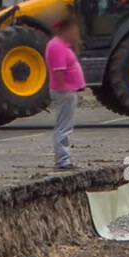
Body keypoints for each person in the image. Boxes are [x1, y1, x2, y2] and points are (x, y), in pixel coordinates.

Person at [46, 18, 86, 170]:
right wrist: (65, 88)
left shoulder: (63, 45)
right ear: (65, 30)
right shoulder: (56, 46)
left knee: (65, 125)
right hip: (64, 92)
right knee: (64, 127)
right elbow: (58, 71)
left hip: (68, 91)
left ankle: (64, 159)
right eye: (74, 30)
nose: (76, 33)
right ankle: (63, 160)